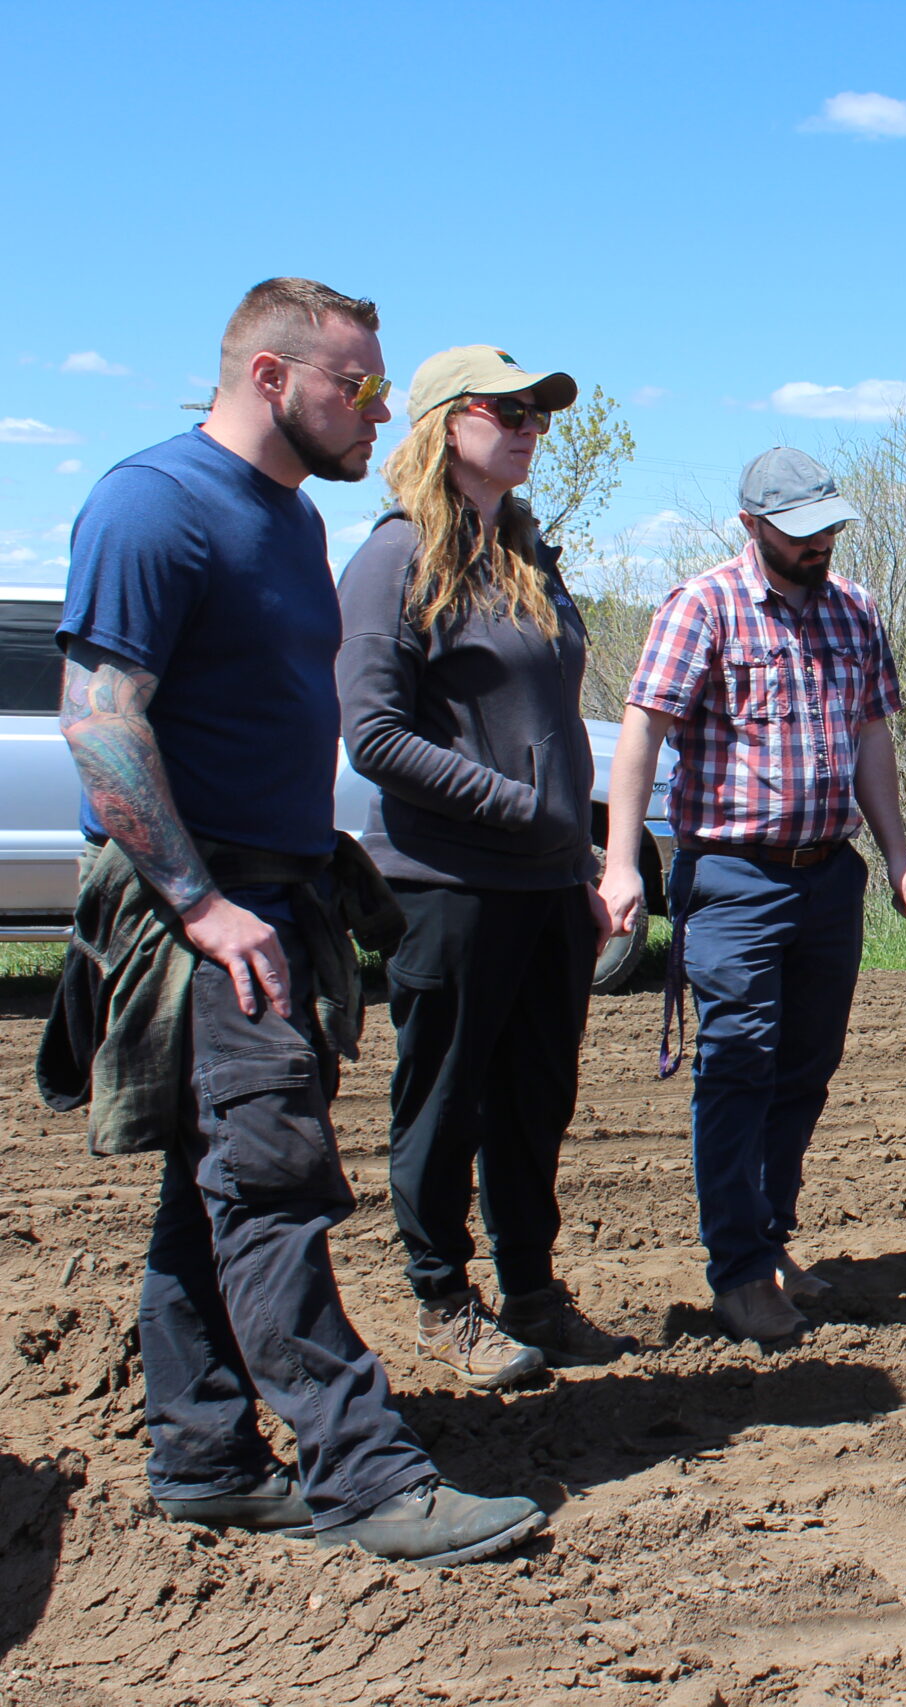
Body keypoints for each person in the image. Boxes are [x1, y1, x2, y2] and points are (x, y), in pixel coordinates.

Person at [45, 278, 543, 1565]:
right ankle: (366, 1476)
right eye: (357, 385)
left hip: (273, 892)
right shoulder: (155, 504)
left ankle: (203, 1457)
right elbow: (97, 720)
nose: (378, 410)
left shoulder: (282, 517)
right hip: (206, 909)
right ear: (270, 377)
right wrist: (201, 904)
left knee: (206, 1188)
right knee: (270, 1188)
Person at [338, 345, 635, 1390]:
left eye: (537, 415)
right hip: (449, 885)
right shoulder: (396, 559)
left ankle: (533, 1294)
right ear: (440, 425)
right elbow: (373, 736)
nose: (528, 428)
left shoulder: (524, 553)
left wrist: (575, 854)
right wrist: (515, 806)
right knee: (445, 1101)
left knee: (535, 1100)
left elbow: (549, 718)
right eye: (504, 411)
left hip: (547, 885)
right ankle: (440, 1300)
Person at [601, 448, 906, 1344]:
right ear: (751, 525)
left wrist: (898, 853)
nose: (820, 544)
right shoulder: (702, 606)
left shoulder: (855, 609)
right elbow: (642, 732)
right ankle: (738, 1268)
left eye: (829, 527)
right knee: (739, 1062)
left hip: (829, 875)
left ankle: (771, 1239)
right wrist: (622, 863)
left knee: (805, 1069)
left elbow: (871, 737)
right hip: (733, 878)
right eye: (800, 531)